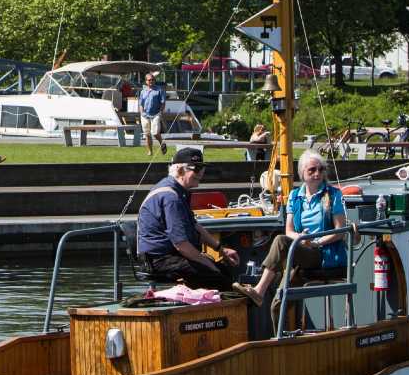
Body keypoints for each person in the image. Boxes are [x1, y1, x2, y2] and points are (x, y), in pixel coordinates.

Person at [248, 150, 356, 329]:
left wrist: (315, 242)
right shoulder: (294, 196)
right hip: (302, 252)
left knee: (281, 241)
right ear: (302, 174)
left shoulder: (333, 195)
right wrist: (301, 239)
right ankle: (281, 342)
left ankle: (259, 290)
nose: (317, 174)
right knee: (277, 304)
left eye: (321, 169)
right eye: (312, 170)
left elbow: (339, 232)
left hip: (323, 254)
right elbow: (289, 230)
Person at [134, 146, 239, 290]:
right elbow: (181, 244)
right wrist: (207, 264)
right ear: (179, 170)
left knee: (223, 271)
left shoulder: (180, 192)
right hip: (158, 260)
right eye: (195, 168)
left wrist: (220, 249)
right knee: (217, 277)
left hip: (171, 255)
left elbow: (194, 225)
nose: (200, 173)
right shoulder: (171, 197)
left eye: (202, 168)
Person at [138, 73, 168, 156]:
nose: (151, 81)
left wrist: (161, 112)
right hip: (145, 115)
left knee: (155, 133)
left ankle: (162, 143)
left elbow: (163, 102)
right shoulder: (143, 91)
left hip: (156, 114)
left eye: (153, 79)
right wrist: (141, 112)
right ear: (146, 81)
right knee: (147, 134)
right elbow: (141, 103)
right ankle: (150, 152)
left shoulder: (159, 90)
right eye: (149, 80)